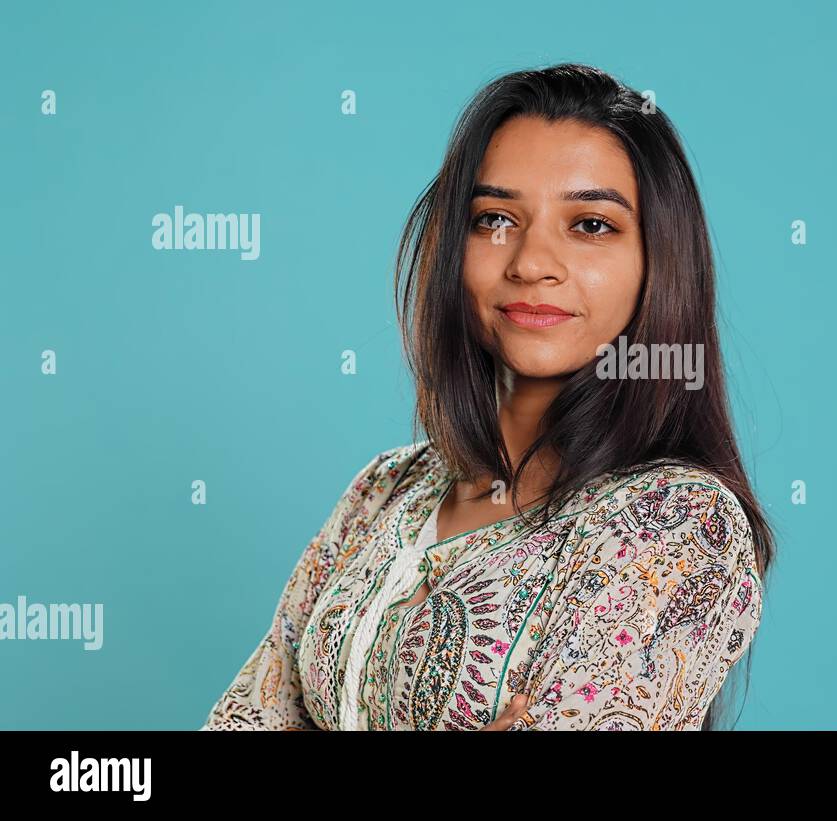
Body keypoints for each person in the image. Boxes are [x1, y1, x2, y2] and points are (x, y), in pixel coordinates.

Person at [201, 63, 774, 731]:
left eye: (590, 224)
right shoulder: (384, 491)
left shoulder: (677, 523)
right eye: (496, 218)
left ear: (660, 261)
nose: (531, 261)